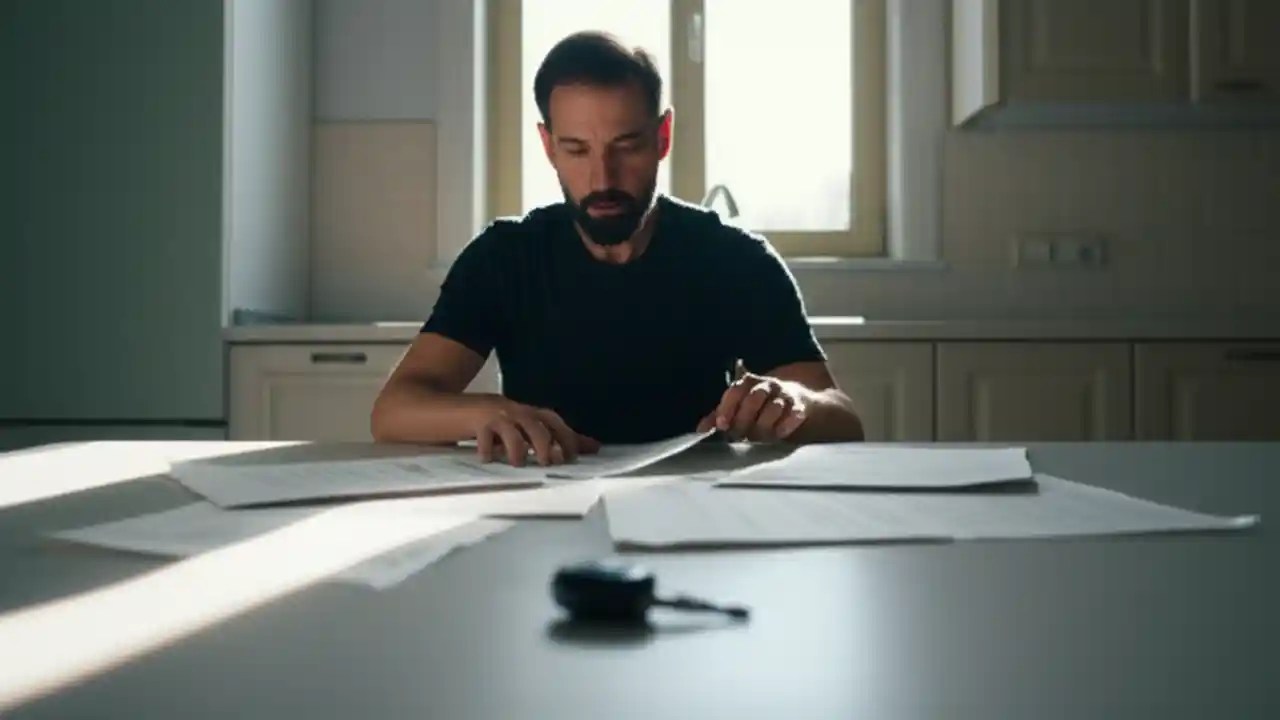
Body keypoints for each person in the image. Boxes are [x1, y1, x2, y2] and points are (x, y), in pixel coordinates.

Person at [372, 31, 864, 466]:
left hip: (692, 503)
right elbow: (394, 410)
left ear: (662, 137)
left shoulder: (735, 260)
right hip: (542, 500)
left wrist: (794, 402)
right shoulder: (505, 256)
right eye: (577, 150)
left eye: (626, 146)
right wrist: (485, 411)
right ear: (548, 147)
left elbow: (843, 419)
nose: (602, 178)